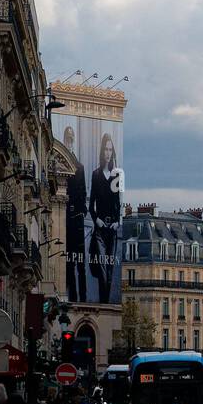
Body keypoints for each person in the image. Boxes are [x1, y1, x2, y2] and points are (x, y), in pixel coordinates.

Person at [88, 132, 122, 303]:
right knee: (102, 266)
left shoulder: (117, 175)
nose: (107, 153)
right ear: (102, 152)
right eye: (105, 149)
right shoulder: (95, 174)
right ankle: (103, 303)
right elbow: (91, 204)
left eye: (110, 149)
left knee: (110, 268)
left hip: (112, 229)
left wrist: (117, 221)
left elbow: (118, 203)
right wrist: (96, 219)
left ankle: (107, 304)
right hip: (101, 228)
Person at [63, 126, 87, 303]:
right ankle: (71, 296)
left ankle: (82, 297)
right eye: (68, 138)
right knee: (68, 261)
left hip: (77, 218)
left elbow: (83, 192)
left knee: (80, 262)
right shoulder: (58, 160)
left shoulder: (80, 165)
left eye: (72, 138)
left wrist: (81, 211)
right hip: (65, 218)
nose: (70, 141)